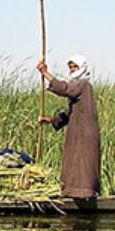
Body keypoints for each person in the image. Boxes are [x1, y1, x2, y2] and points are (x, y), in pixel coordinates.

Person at [36, 55, 101, 199]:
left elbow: (65, 89)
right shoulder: (79, 87)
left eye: (75, 67)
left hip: (84, 134)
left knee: (82, 163)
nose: (72, 69)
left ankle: (83, 194)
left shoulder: (83, 84)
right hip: (78, 132)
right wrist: (50, 120)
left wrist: (45, 73)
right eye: (70, 67)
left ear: (82, 68)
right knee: (73, 163)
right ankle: (72, 194)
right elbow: (69, 113)